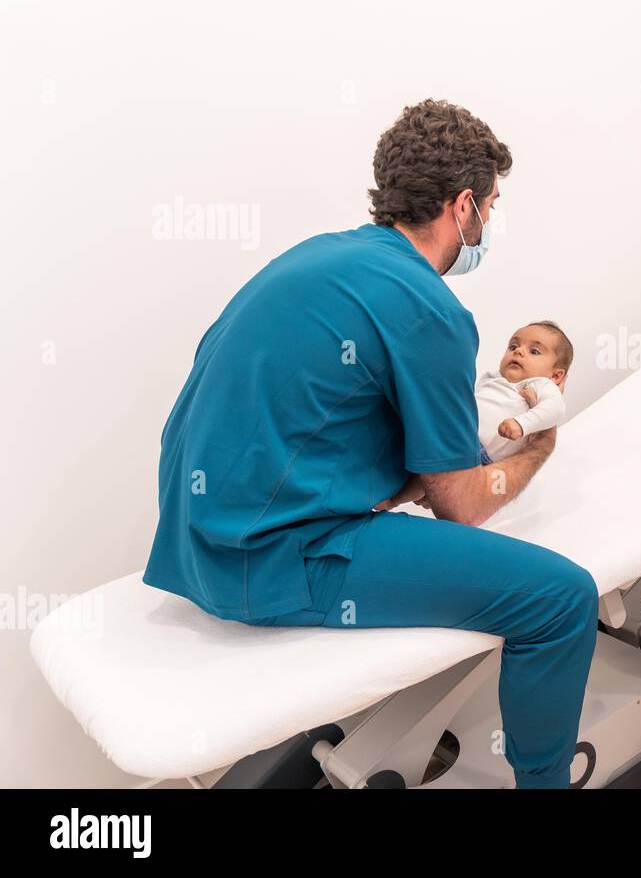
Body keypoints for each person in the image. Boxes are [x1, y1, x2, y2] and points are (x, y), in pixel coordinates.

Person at [143, 99, 598, 789]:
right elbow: (463, 506)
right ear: (464, 206)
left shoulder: (316, 256)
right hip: (265, 560)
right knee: (562, 598)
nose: (487, 224)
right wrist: (539, 448)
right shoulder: (430, 308)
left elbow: (315, 414)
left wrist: (410, 475)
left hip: (190, 537)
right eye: (490, 207)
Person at [476, 322, 571, 462]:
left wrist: (522, 424)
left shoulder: (540, 384)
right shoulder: (492, 377)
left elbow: (556, 408)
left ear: (556, 376)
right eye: (513, 346)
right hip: (457, 429)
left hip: (481, 456)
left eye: (534, 351)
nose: (518, 351)